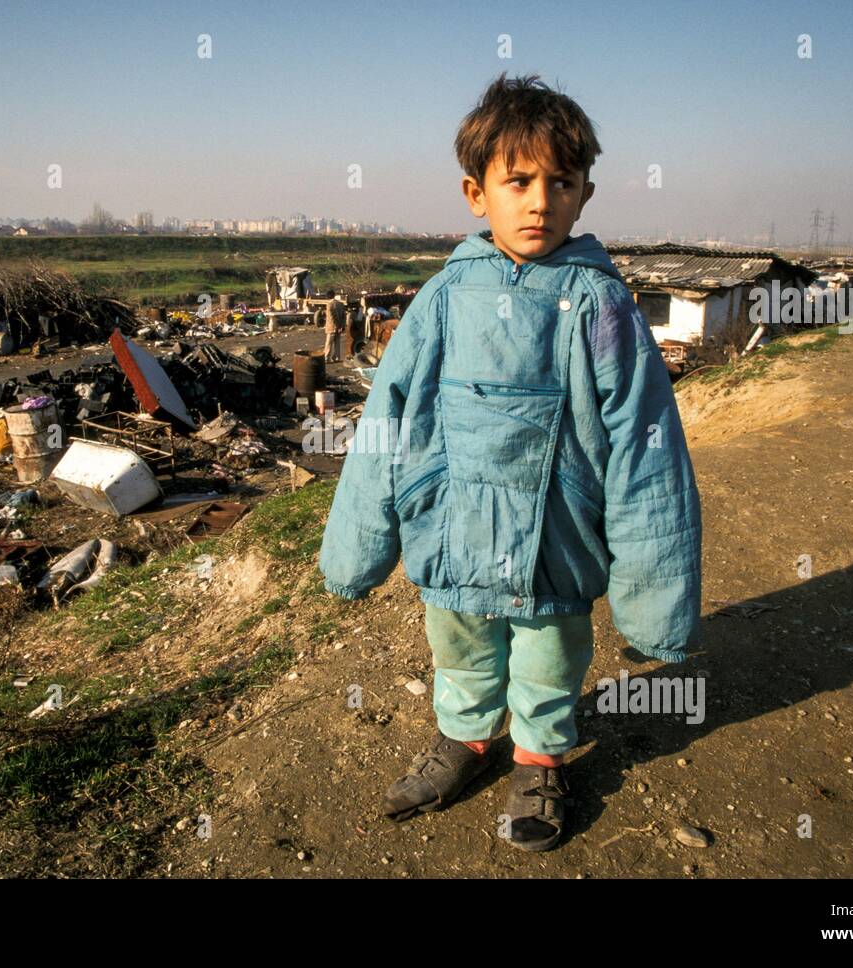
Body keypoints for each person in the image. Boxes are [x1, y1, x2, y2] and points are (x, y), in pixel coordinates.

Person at [318, 73, 701, 852]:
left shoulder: (603, 307)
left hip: (557, 538)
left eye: (561, 182)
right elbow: (386, 423)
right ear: (475, 192)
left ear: (585, 195)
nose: (539, 201)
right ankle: (465, 741)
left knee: (551, 654)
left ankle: (539, 759)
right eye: (517, 180)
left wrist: (652, 598)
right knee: (457, 647)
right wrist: (357, 549)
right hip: (453, 531)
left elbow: (645, 446)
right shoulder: (441, 300)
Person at [322, 291, 346, 363]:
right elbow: (344, 316)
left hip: (332, 327)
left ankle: (326, 358)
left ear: (327, 297)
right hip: (339, 327)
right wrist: (341, 326)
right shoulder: (341, 304)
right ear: (334, 295)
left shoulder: (329, 305)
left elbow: (331, 317)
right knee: (337, 343)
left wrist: (336, 326)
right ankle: (336, 357)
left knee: (328, 343)